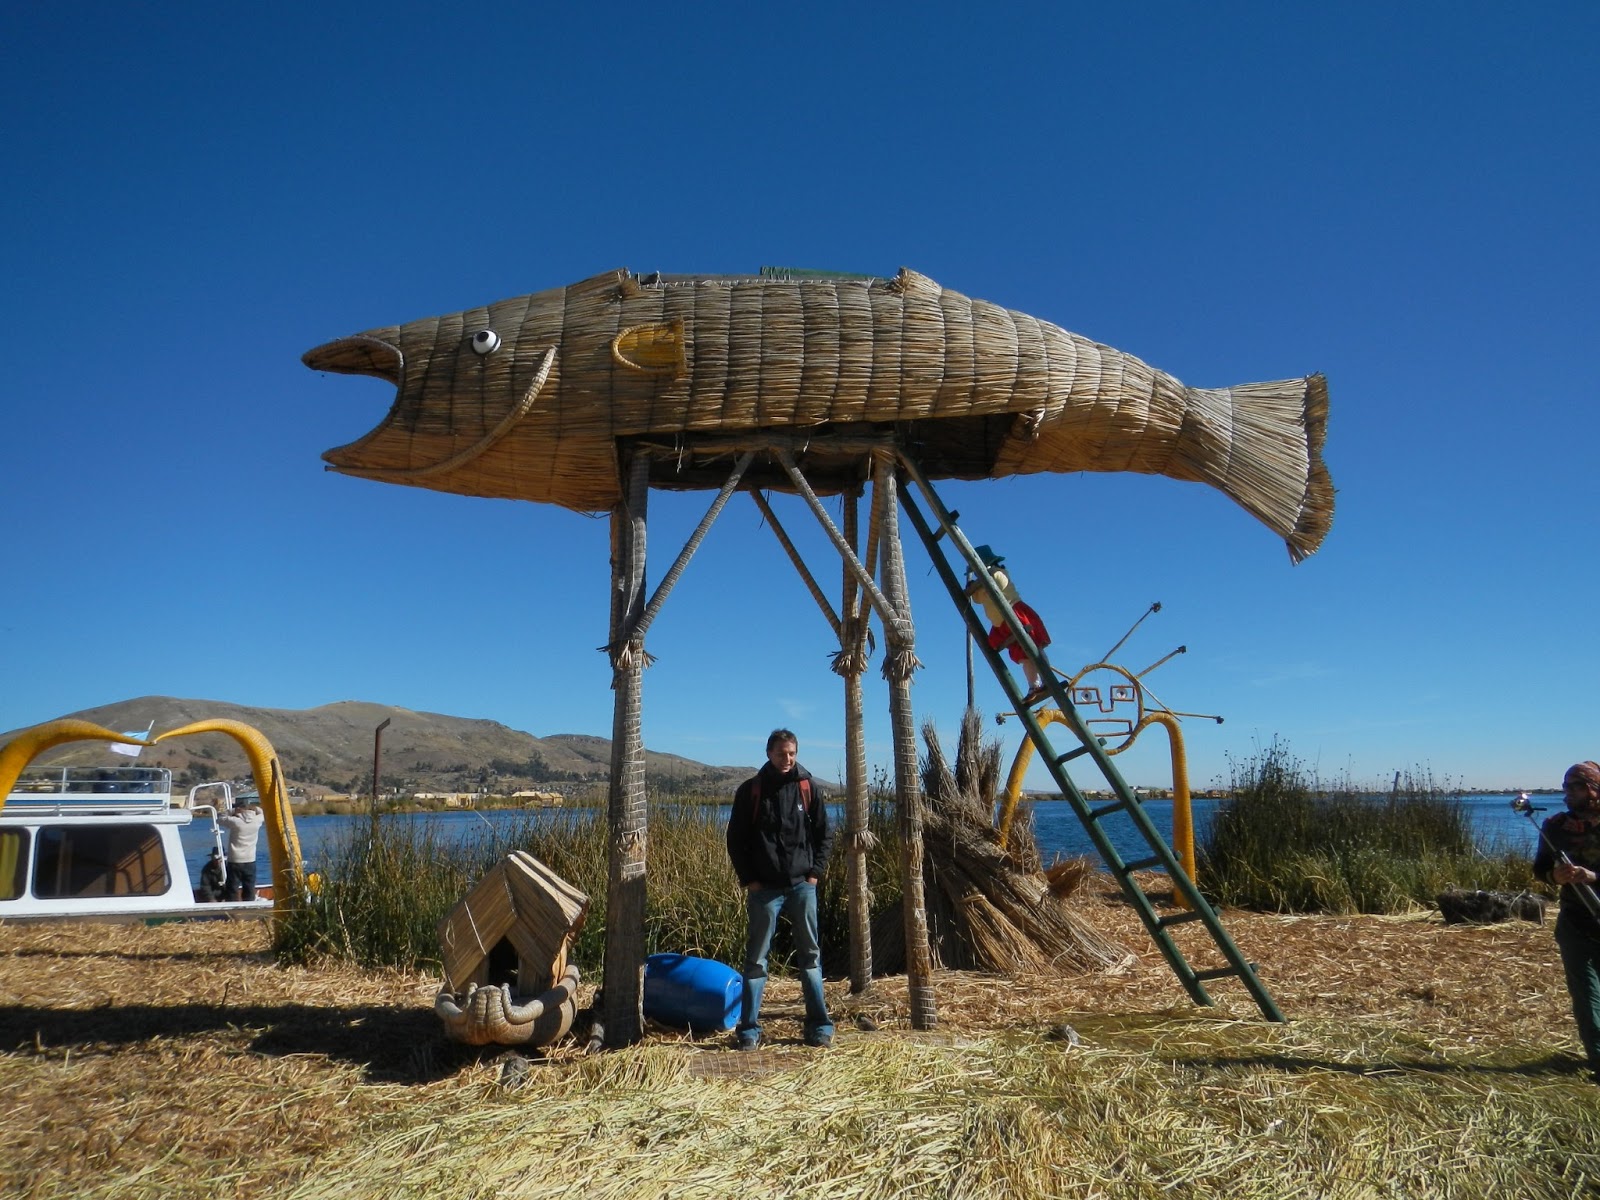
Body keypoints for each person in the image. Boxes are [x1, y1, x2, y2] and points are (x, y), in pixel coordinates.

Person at [725, 729, 835, 1049]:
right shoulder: (751, 791)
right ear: (769, 753)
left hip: (802, 886)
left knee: (811, 957)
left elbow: (825, 834)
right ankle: (748, 1030)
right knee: (756, 961)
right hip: (764, 890)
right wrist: (750, 880)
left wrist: (814, 874)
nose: (786, 759)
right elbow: (736, 839)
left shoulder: (807, 788)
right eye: (780, 753)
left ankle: (818, 1025)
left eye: (791, 753)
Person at [1533, 761, 1600, 1081]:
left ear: (1594, 788)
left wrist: (1593, 876)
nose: (1567, 793)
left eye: (1574, 786)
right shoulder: (1554, 826)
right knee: (1586, 995)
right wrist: (1554, 876)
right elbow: (1540, 870)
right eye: (1565, 787)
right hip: (1575, 922)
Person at [964, 544, 1053, 704]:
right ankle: (1034, 686)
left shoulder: (998, 573)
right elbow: (976, 599)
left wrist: (977, 584)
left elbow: (990, 585)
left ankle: (1048, 680)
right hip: (1002, 625)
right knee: (1024, 657)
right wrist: (975, 586)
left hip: (1015, 614)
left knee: (1034, 648)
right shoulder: (984, 580)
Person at [217, 795, 265, 901]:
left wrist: (231, 810)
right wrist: (255, 808)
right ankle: (248, 908)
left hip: (235, 859)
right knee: (249, 887)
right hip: (250, 859)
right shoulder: (257, 821)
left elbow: (219, 819)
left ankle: (233, 910)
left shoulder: (235, 821)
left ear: (240, 810)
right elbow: (262, 813)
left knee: (232, 888)